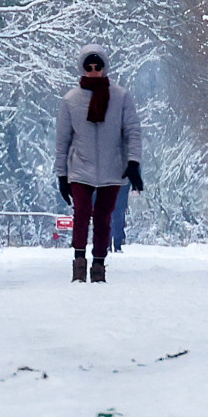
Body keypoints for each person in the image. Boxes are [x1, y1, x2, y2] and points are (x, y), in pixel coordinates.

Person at [55, 47, 143, 282]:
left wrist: (133, 163)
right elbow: (63, 140)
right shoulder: (70, 100)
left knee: (104, 217)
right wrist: (61, 175)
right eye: (89, 67)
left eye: (98, 67)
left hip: (112, 167)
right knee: (81, 213)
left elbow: (132, 132)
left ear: (105, 68)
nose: (94, 72)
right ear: (82, 68)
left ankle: (99, 266)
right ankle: (79, 262)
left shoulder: (121, 97)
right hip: (80, 167)